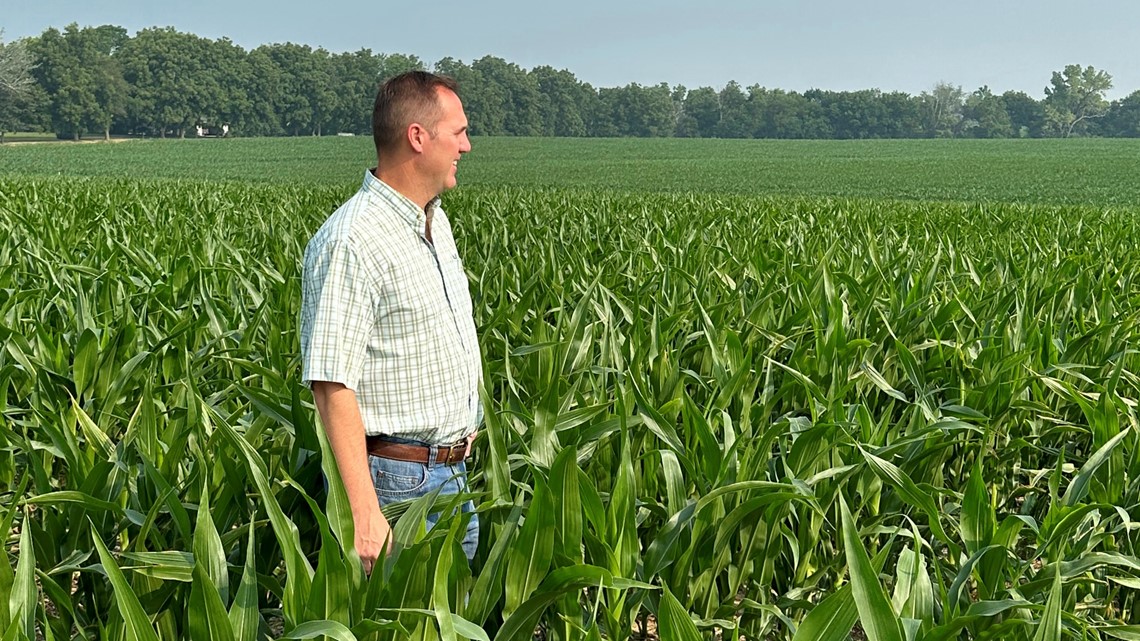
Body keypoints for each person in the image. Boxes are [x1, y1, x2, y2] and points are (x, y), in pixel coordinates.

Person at [300, 71, 481, 574]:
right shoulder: (353, 240)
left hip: (449, 474)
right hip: (397, 481)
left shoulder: (433, 220)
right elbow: (331, 382)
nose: (466, 146)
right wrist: (363, 512)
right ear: (418, 137)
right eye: (459, 132)